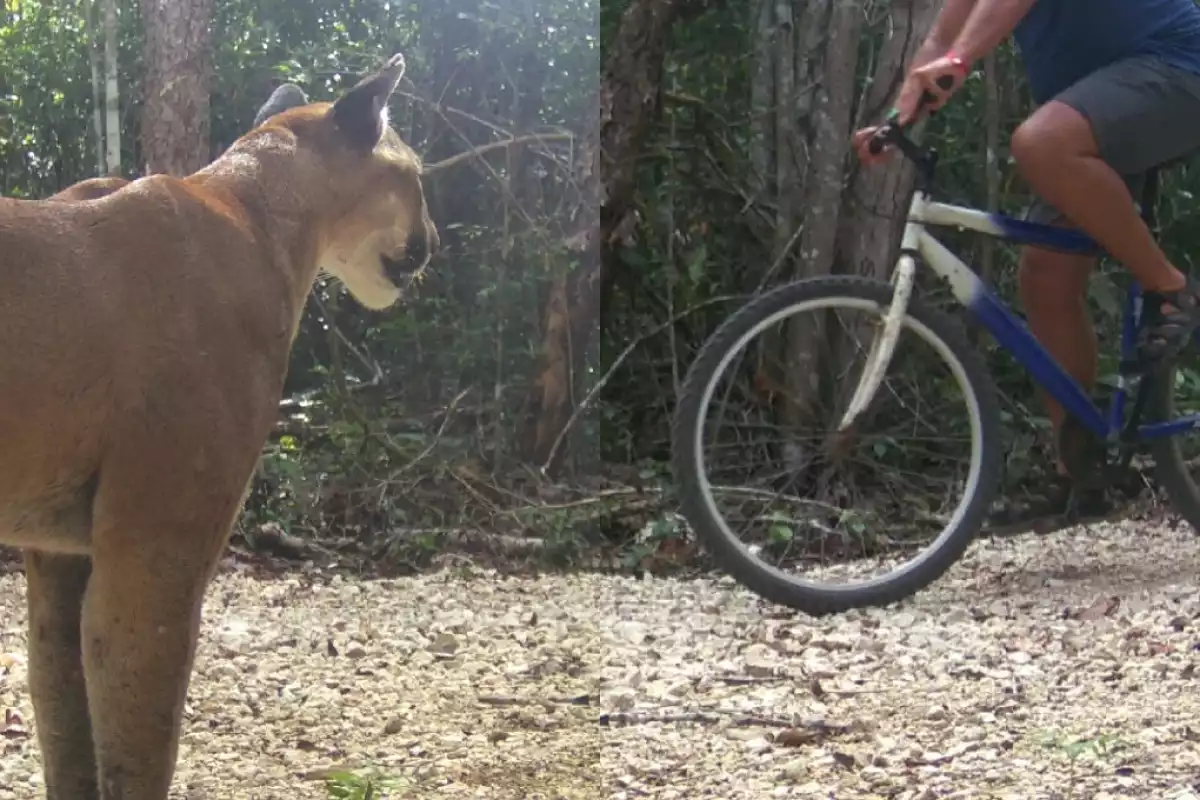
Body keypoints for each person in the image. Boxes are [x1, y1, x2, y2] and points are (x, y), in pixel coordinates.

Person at [852, 0, 1200, 527]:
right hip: (1095, 112)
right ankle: (1081, 477)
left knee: (1041, 143)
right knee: (1045, 276)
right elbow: (939, 39)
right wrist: (896, 121)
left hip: (1175, 65)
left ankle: (1171, 291)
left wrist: (961, 61)